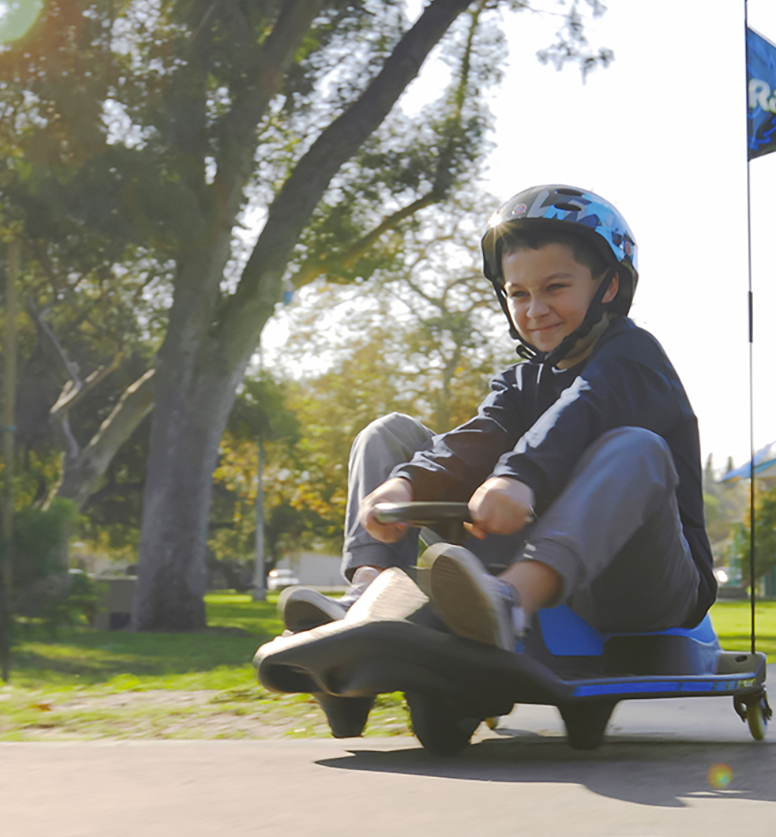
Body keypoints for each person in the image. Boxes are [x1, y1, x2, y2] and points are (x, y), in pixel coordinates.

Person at [279, 184, 716, 649]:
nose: (536, 309)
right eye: (519, 293)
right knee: (389, 435)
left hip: (643, 581)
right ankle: (367, 599)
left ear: (609, 285)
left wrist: (518, 476)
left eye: (555, 288)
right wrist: (406, 482)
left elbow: (581, 411)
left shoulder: (635, 357)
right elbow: (482, 437)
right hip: (551, 562)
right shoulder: (521, 382)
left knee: (637, 446)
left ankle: (508, 603)